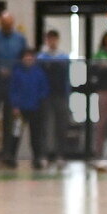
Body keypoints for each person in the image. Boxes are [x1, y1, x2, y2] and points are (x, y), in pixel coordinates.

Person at [0, 11, 27, 166]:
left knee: (10, 118)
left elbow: (24, 60)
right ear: (0, 23)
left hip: (12, 84)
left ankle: (8, 152)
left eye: (9, 24)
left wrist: (15, 73)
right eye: (4, 24)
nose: (7, 27)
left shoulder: (20, 39)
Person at [9, 48, 50, 169]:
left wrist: (40, 101)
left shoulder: (39, 73)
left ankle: (37, 158)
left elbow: (44, 89)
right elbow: (13, 90)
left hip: (35, 108)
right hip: (20, 109)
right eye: (26, 56)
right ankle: (11, 157)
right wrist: (15, 105)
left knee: (35, 135)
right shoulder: (17, 72)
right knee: (16, 134)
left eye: (30, 56)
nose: (28, 59)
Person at [37, 29, 71, 167]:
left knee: (60, 126)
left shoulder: (64, 58)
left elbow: (67, 78)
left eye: (54, 39)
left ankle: (60, 155)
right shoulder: (41, 58)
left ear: (57, 40)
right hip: (46, 96)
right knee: (45, 125)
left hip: (60, 95)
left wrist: (67, 94)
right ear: (46, 40)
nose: (52, 42)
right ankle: (44, 155)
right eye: (49, 39)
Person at [91, 31, 107, 171]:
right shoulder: (99, 55)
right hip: (104, 92)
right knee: (102, 124)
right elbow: (95, 71)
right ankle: (99, 156)